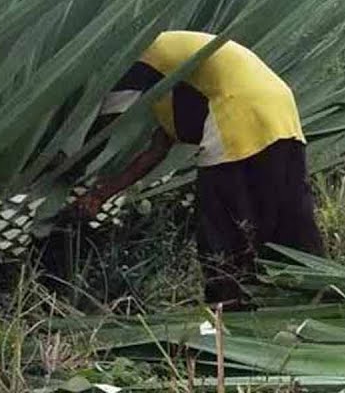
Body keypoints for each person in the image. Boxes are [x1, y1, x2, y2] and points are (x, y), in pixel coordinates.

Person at [71, 30, 325, 309]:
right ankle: (316, 289)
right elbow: (156, 152)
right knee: (287, 209)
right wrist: (104, 193)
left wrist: (71, 163)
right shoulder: (174, 82)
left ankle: (229, 305)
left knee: (220, 220)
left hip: (236, 107)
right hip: (280, 109)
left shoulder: (143, 58)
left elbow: (101, 122)